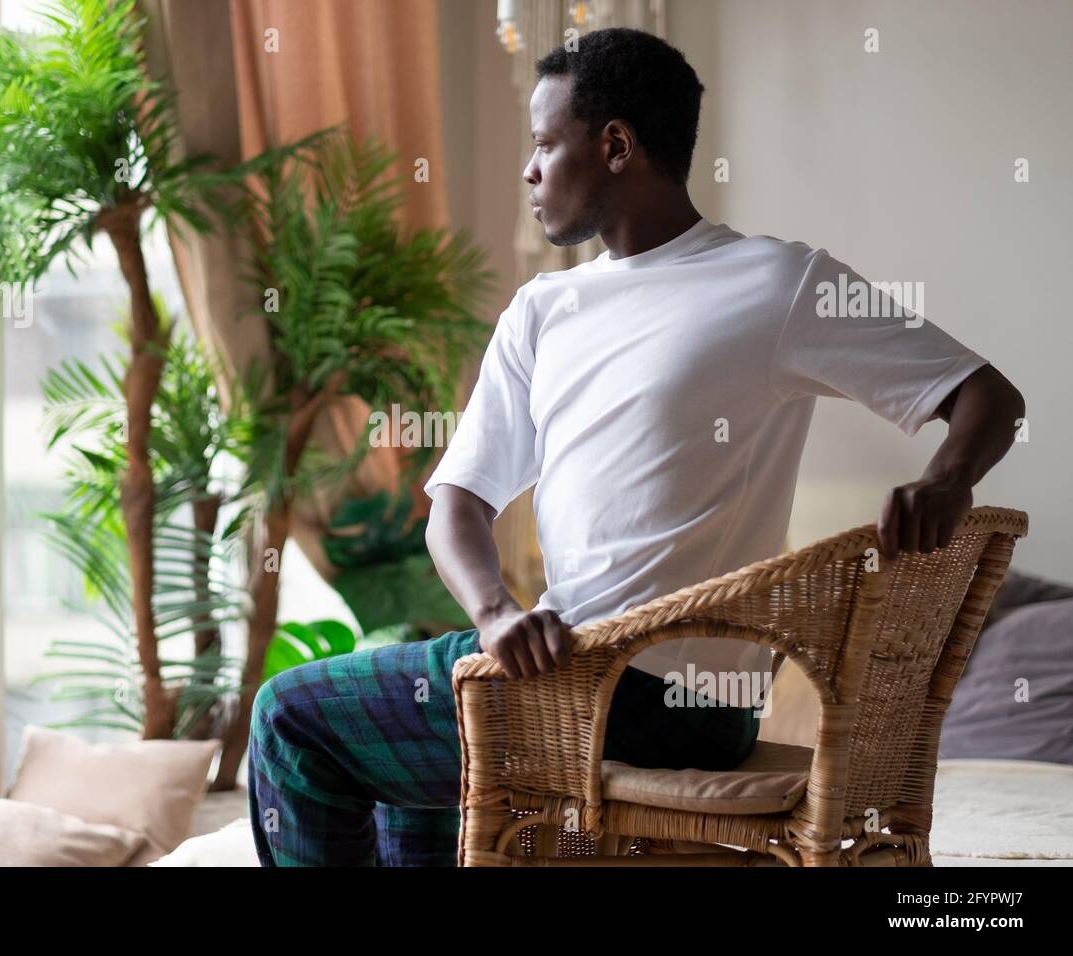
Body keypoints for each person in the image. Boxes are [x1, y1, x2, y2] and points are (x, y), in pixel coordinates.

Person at [247, 27, 1025, 867]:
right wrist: (496, 613)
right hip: (567, 678)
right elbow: (456, 506)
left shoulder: (775, 283)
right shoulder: (542, 311)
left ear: (616, 145)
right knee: (409, 765)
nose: (529, 169)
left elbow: (990, 399)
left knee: (288, 717)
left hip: (643, 698)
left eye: (546, 143)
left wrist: (947, 482)